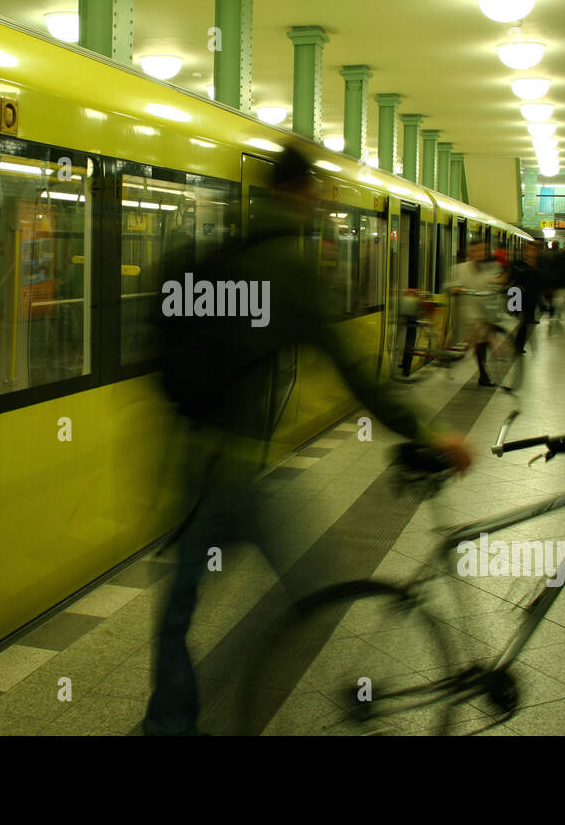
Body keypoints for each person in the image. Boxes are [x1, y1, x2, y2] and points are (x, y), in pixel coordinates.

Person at [145, 143, 473, 736]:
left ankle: (168, 722)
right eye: (319, 193)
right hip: (238, 473)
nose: (324, 205)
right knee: (312, 581)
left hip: (194, 455)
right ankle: (279, 684)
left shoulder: (233, 248)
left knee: (179, 605)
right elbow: (356, 372)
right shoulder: (288, 268)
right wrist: (429, 431)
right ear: (300, 192)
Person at [447, 237, 505, 386]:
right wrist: (456, 289)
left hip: (486, 311)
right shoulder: (459, 269)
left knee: (482, 341)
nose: (480, 253)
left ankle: (481, 371)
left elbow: (499, 283)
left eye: (483, 250)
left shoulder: (494, 267)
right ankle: (483, 375)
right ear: (470, 252)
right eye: (476, 250)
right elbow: (449, 286)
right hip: (467, 311)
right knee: (481, 338)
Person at [508, 240, 543, 355]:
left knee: (525, 321)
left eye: (532, 250)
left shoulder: (540, 265)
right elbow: (509, 277)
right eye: (527, 249)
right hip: (516, 295)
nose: (529, 252)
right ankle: (517, 345)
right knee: (519, 319)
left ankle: (519, 344)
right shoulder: (517, 264)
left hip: (531, 298)